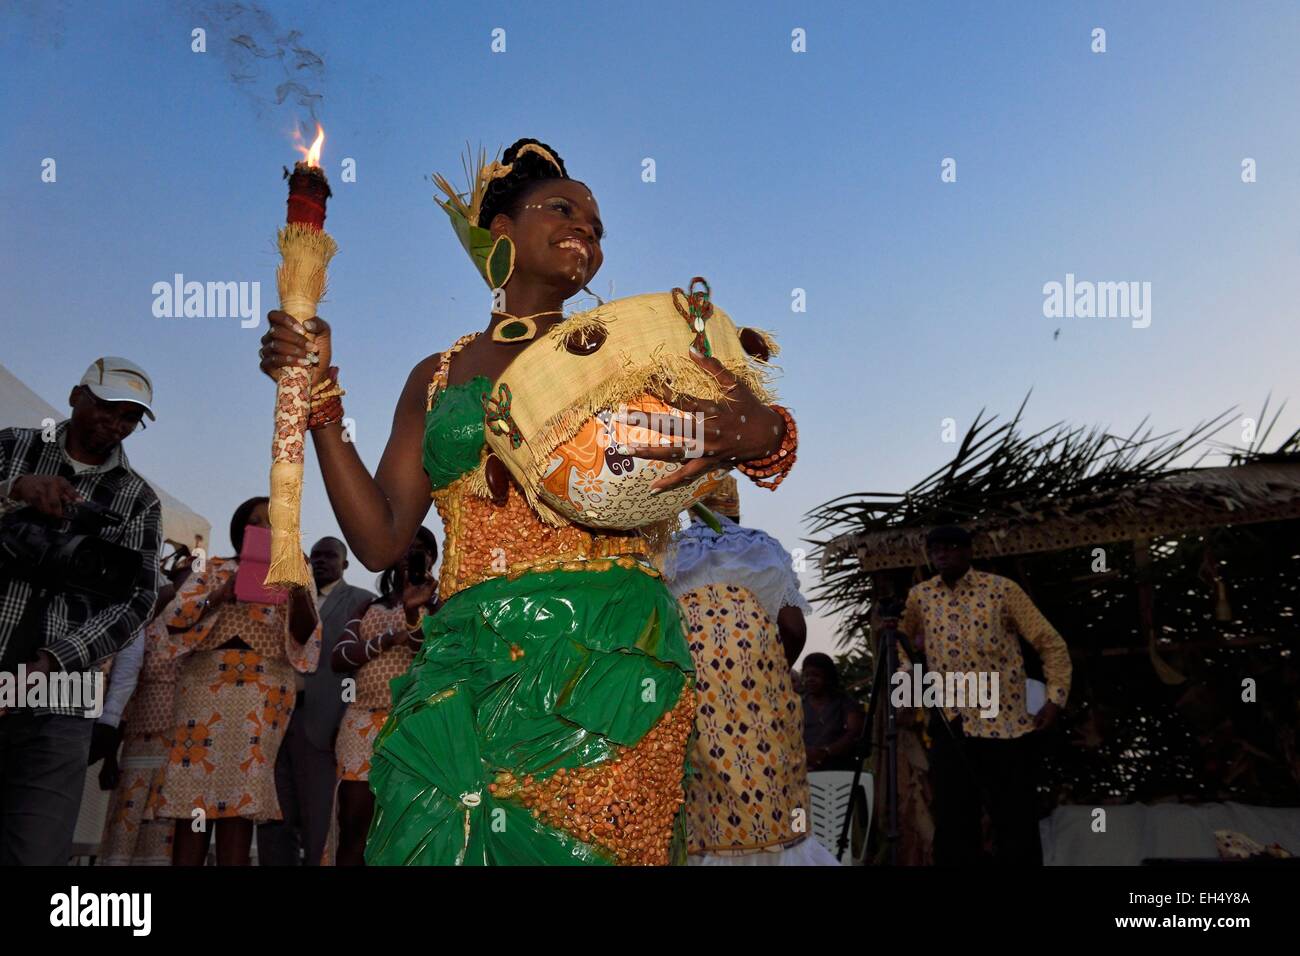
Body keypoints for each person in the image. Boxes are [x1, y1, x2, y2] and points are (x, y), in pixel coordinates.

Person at [256, 137, 799, 865]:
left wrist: (744, 427)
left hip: (605, 658)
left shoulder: (633, 351)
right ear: (502, 234)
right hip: (468, 663)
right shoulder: (436, 374)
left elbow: (760, 429)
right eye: (564, 209)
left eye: (598, 225)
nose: (587, 230)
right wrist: (317, 401)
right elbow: (382, 539)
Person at [0, 357, 162, 865]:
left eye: (129, 418)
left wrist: (52, 662)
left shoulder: (139, 501)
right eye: (106, 408)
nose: (115, 425)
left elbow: (137, 600)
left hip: (59, 694)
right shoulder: (10, 447)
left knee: (37, 849)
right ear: (76, 396)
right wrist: (13, 490)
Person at [662, 477, 837, 865]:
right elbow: (792, 627)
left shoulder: (669, 550)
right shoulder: (761, 546)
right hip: (758, 689)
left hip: (691, 687)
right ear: (736, 509)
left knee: (697, 793)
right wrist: (769, 673)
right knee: (769, 792)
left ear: (692, 509)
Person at [151, 497, 321, 865]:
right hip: (203, 689)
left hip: (262, 695)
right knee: (190, 793)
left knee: (240, 797)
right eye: (257, 522)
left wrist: (296, 585)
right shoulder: (212, 568)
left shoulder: (292, 574)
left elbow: (306, 635)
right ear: (242, 529)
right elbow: (174, 618)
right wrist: (220, 595)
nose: (265, 529)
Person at [898, 525, 1071, 865]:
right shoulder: (920, 596)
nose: (941, 554)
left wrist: (1056, 697)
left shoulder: (1001, 590)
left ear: (968, 551)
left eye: (950, 546)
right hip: (951, 725)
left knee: (1015, 821)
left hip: (1005, 725)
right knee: (954, 823)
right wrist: (909, 681)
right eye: (935, 550)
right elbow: (899, 643)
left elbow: (1051, 643)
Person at [258, 536, 374, 866]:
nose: (321, 561)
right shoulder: (282, 596)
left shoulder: (362, 603)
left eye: (329, 556)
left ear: (345, 564)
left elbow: (358, 669)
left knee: (318, 821)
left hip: (323, 724)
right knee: (273, 817)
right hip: (272, 720)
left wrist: (344, 717)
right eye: (315, 555)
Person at [330, 527, 439, 865]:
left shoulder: (442, 606)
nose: (412, 555)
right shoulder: (368, 606)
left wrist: (411, 614)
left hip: (411, 725)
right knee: (354, 824)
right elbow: (339, 656)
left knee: (406, 825)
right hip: (361, 721)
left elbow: (428, 652)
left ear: (432, 559)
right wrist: (388, 639)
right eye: (406, 549)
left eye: (421, 549)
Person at [98, 557, 192, 865]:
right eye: (183, 583)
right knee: (126, 823)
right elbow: (125, 685)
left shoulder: (200, 632)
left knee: (164, 832)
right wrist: (109, 755)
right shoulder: (145, 628)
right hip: (139, 747)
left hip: (182, 752)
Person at [801, 653, 866, 772]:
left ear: (827, 677)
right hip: (805, 770)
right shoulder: (798, 704)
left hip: (840, 769)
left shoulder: (844, 701)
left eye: (816, 675)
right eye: (806, 675)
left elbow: (854, 732)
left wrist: (826, 752)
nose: (810, 679)